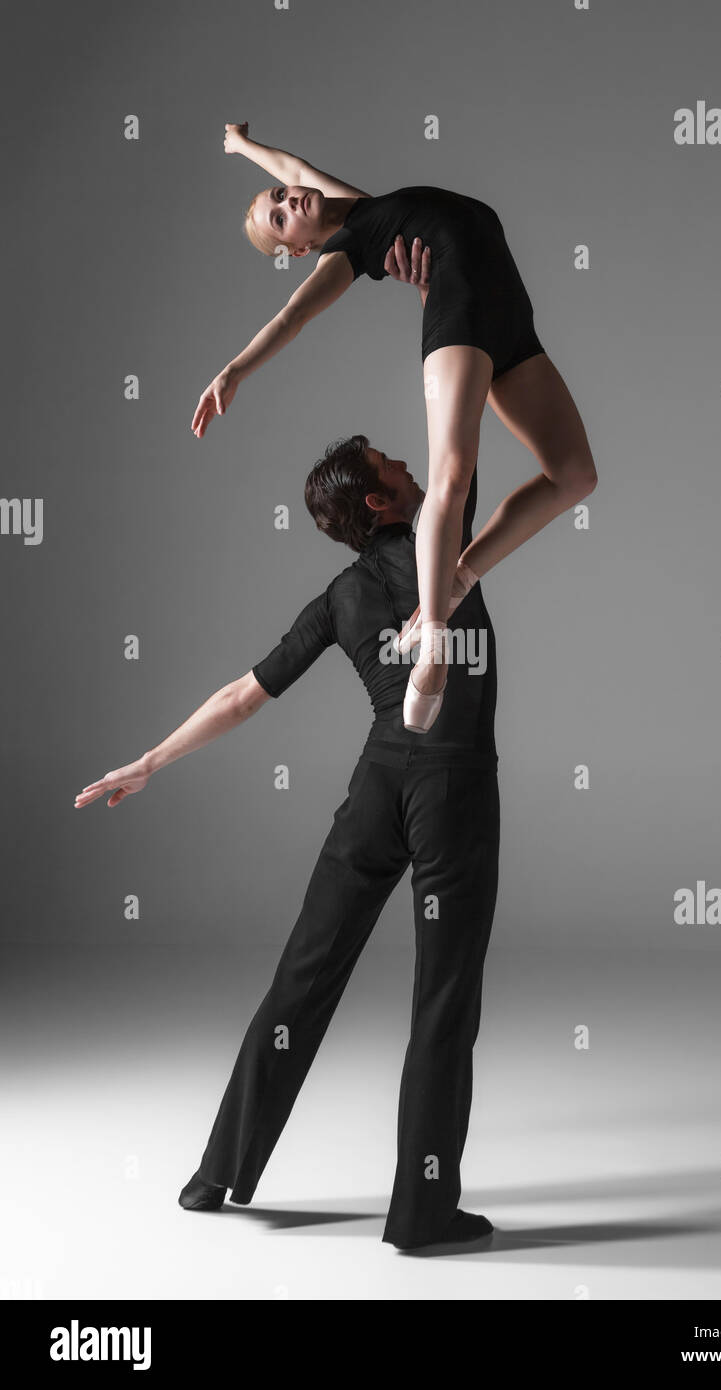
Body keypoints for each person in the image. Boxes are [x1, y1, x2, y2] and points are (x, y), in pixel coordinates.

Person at [74, 440, 500, 1253]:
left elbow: (244, 694)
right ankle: (422, 1213)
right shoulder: (440, 538)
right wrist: (452, 314)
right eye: (389, 462)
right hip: (453, 786)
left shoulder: (340, 597)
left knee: (303, 975)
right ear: (379, 502)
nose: (408, 461)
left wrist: (151, 763)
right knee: (444, 999)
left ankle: (218, 1172)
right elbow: (463, 432)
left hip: (379, 788)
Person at [190, 122, 598, 733]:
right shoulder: (348, 245)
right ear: (298, 250)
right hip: (457, 316)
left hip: (510, 317)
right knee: (453, 471)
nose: (286, 200)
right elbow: (293, 315)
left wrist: (244, 148)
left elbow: (293, 167)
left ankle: (458, 575)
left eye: (279, 195)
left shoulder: (362, 208)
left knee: (574, 475)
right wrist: (235, 369)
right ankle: (433, 648)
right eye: (277, 218)